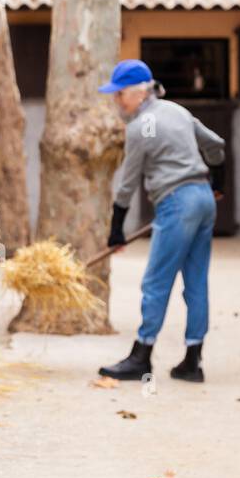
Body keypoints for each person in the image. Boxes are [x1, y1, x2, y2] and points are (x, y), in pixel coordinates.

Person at [98, 59, 225, 384]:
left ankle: (141, 356)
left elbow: (127, 184)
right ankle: (193, 361)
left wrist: (116, 230)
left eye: (119, 94)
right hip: (203, 198)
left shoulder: (140, 127)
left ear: (138, 93)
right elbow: (215, 145)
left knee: (156, 281)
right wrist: (217, 183)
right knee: (196, 282)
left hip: (177, 203)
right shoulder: (177, 112)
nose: (117, 101)